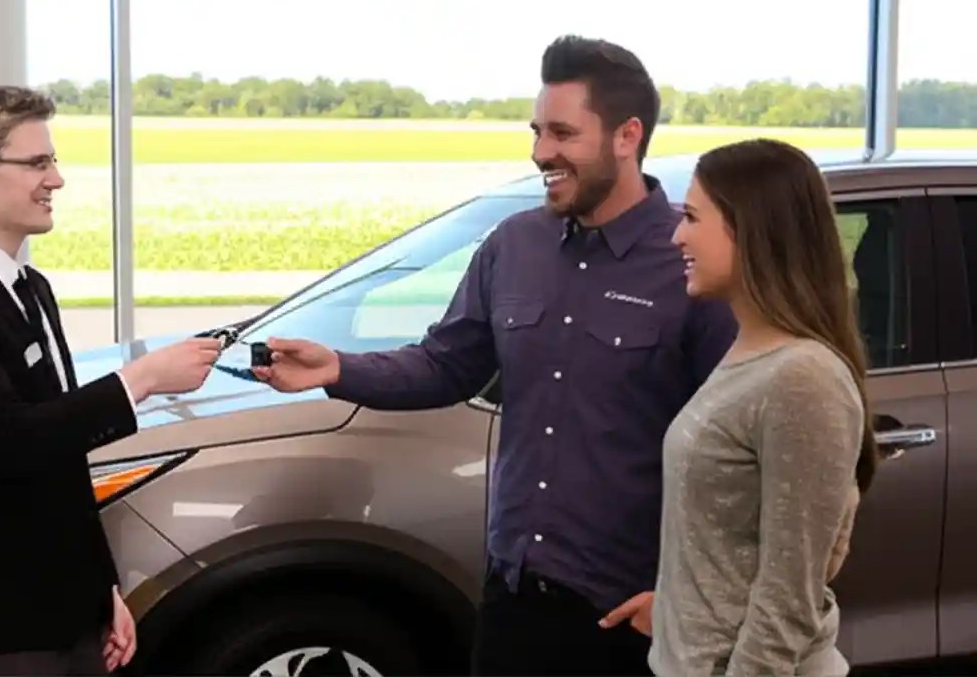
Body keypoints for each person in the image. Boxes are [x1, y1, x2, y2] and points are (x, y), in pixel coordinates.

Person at [250, 35, 738, 676]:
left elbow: (736, 454)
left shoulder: (690, 261)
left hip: (637, 615)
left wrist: (684, 595)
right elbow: (447, 364)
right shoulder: (512, 246)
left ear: (627, 136)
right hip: (514, 599)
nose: (541, 152)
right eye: (537, 131)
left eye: (562, 133)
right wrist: (338, 369)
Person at [0, 84, 223, 676]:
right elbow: (8, 442)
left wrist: (102, 591)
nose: (56, 180)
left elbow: (61, 464)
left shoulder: (29, 288)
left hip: (64, 613)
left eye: (53, 161)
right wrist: (138, 380)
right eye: (37, 162)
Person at [648, 138, 875, 676]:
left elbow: (788, 600)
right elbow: (728, 536)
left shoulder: (803, 378)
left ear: (750, 230)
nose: (677, 234)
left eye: (693, 217)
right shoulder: (751, 352)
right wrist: (673, 609)